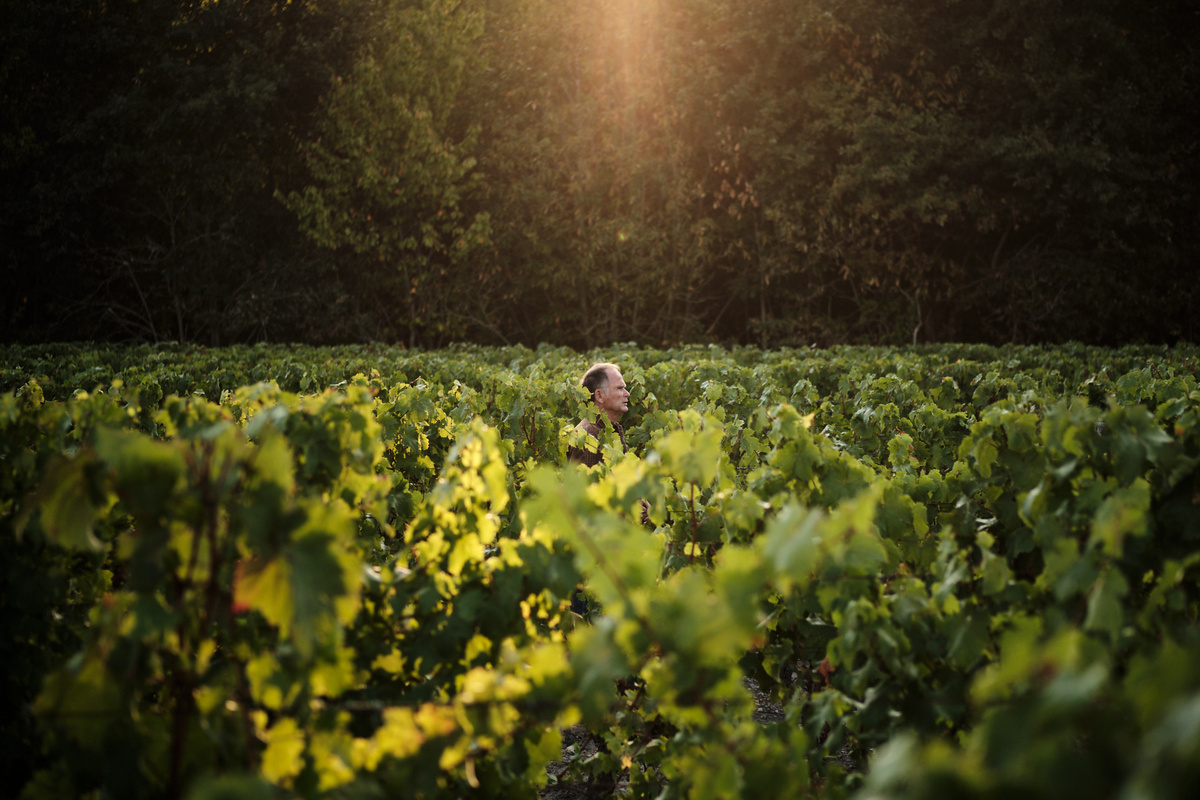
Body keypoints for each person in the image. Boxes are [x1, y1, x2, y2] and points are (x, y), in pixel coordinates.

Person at [566, 362, 630, 467]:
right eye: (619, 388)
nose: (627, 393)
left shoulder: (607, 429)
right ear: (599, 395)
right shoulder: (588, 438)